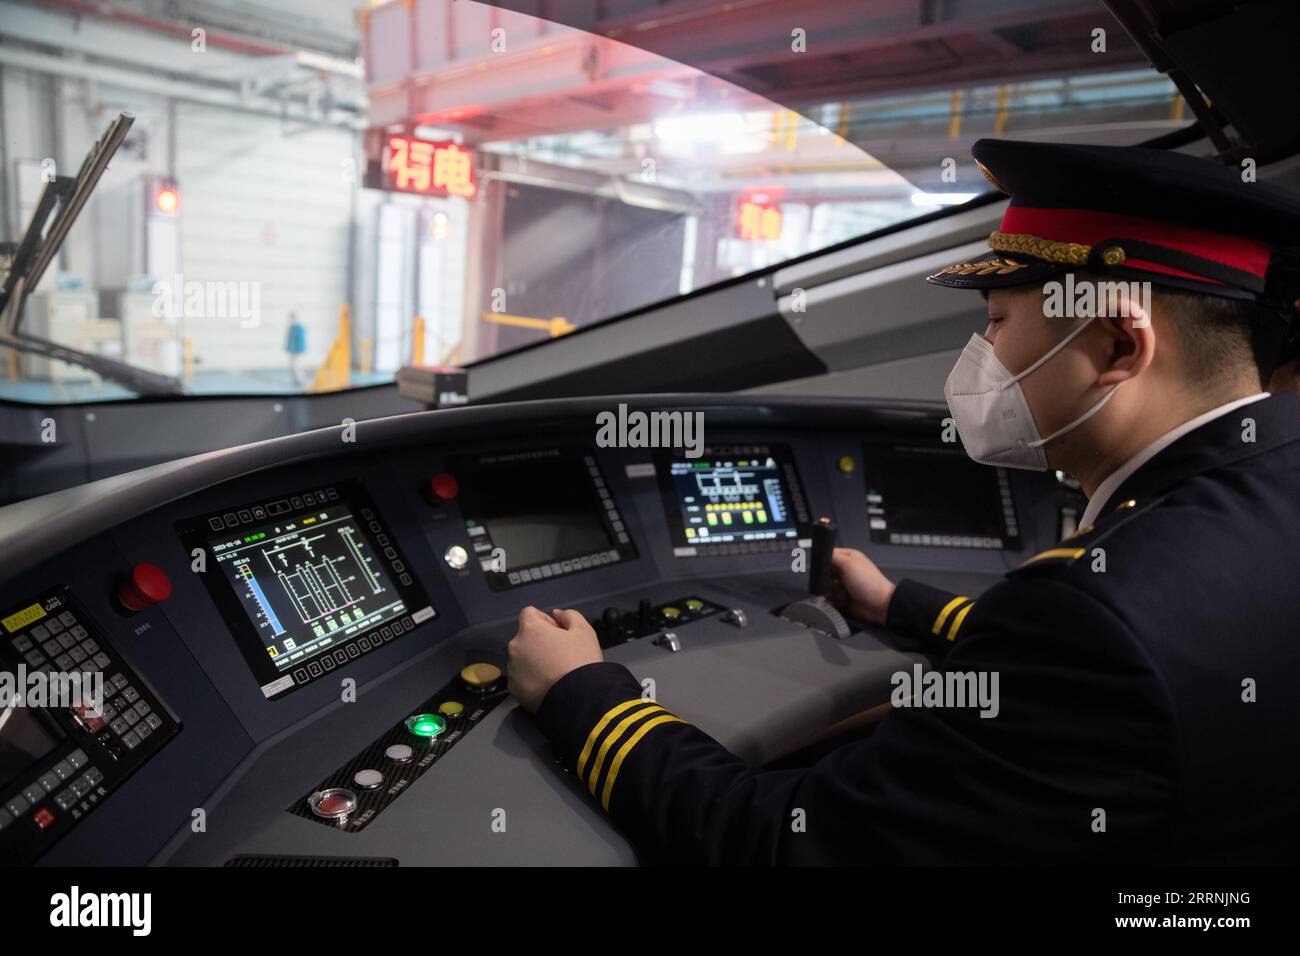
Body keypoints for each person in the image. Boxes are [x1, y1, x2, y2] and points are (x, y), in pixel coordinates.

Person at [506, 139, 1300, 864]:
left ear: (1121, 347)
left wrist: (586, 695)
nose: (982, 353)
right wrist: (905, 606)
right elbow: (1105, 674)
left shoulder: (1095, 613)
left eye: (998, 320)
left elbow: (779, 845)